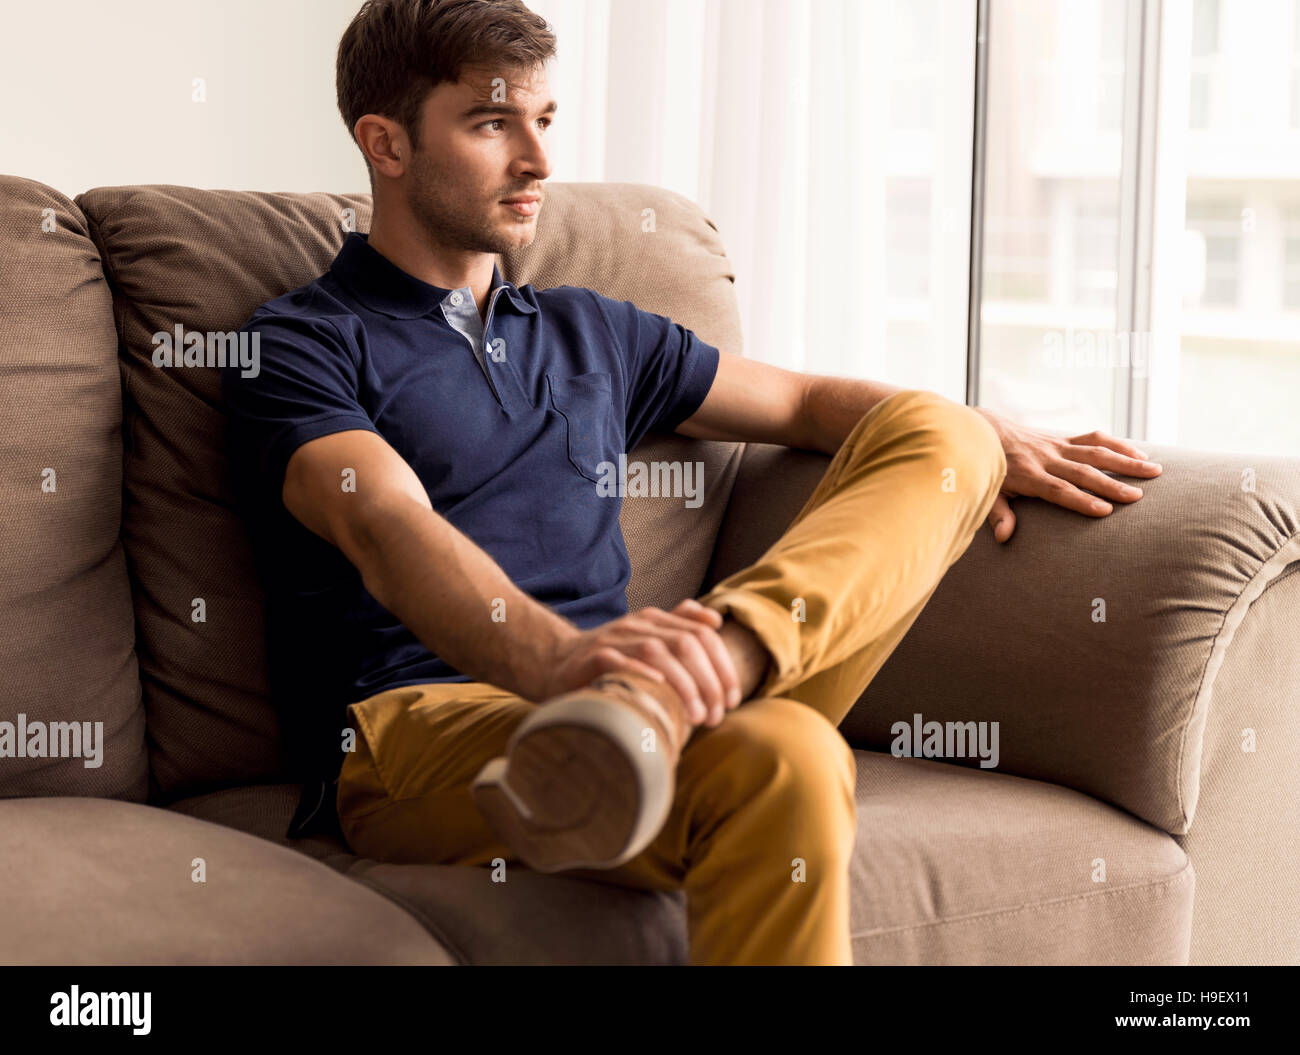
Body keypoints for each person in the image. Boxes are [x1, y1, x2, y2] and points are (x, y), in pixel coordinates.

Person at [222, 0, 1163, 966]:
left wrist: (985, 434)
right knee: (790, 756)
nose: (539, 162)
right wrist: (561, 667)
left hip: (652, 702)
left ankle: (707, 674)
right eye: (492, 122)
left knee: (940, 427)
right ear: (385, 143)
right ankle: (643, 707)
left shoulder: (591, 330)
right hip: (418, 726)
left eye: (544, 123)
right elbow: (383, 523)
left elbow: (803, 404)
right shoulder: (295, 343)